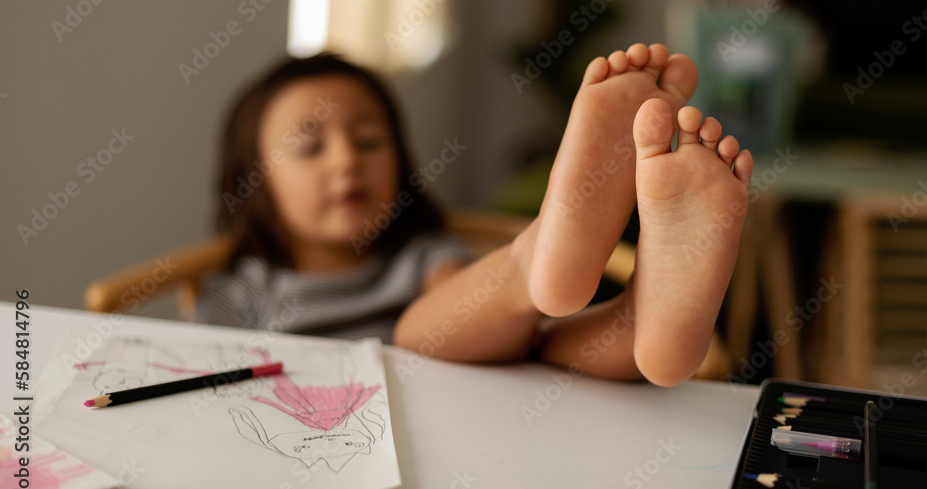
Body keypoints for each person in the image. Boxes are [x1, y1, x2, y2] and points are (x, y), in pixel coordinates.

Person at [196, 43, 753, 386]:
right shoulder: (244, 292)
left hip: (471, 395)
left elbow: (463, 300)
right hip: (344, 435)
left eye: (368, 140)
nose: (347, 159)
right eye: (311, 147)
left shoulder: (421, 258)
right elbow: (204, 384)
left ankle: (552, 274)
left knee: (432, 334)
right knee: (538, 345)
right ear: (254, 182)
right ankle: (631, 318)